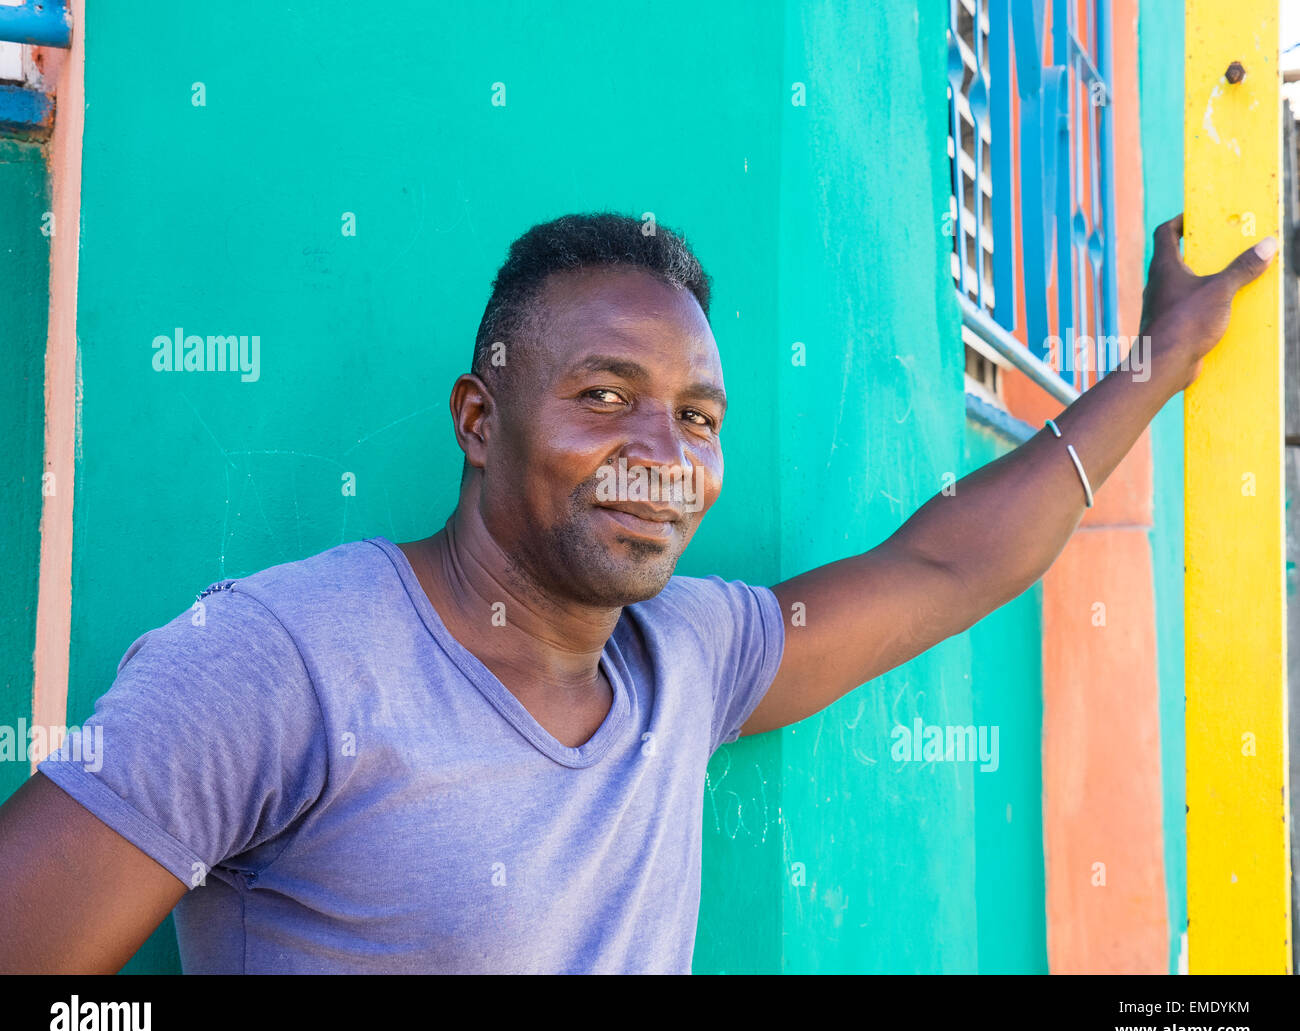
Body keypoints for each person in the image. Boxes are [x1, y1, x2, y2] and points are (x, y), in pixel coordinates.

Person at [0, 211, 1277, 974]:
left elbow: (944, 563)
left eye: (698, 417)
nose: (663, 458)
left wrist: (1158, 365)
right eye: (604, 399)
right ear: (480, 419)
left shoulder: (688, 658)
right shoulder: (279, 660)